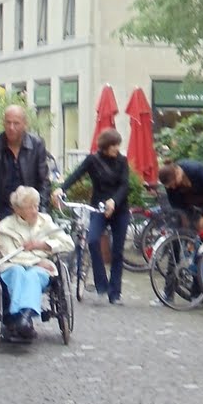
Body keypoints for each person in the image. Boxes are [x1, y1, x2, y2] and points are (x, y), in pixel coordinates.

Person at [54, 127, 130, 304]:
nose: (116, 149)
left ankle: (115, 293)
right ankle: (101, 283)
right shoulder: (93, 160)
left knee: (117, 252)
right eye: (113, 146)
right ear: (105, 146)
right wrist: (61, 188)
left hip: (120, 209)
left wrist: (114, 201)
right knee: (93, 240)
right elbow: (76, 175)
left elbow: (125, 186)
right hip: (98, 208)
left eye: (118, 145)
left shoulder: (122, 161)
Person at [0, 185, 73, 340]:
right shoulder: (4, 227)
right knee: (18, 272)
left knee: (33, 275)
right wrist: (37, 261)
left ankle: (23, 317)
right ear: (18, 210)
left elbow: (68, 243)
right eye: (30, 207)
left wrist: (43, 245)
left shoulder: (45, 221)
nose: (35, 210)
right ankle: (21, 319)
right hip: (12, 267)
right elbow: (10, 255)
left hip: (39, 269)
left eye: (36, 205)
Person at [0, 105, 51, 227]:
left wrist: (41, 210)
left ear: (25, 124)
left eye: (16, 123)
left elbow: (44, 181)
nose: (11, 127)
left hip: (29, 208)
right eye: (8, 123)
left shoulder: (36, 144)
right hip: (2, 208)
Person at [158, 158, 203, 234]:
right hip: (189, 203)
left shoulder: (196, 170)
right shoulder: (169, 182)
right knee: (184, 230)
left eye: (174, 184)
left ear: (177, 173)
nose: (173, 188)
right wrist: (185, 220)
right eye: (170, 187)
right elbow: (176, 205)